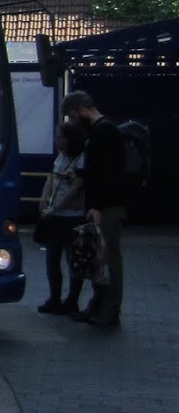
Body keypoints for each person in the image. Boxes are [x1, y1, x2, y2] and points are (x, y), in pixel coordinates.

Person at [61, 91, 127, 328]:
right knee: (99, 259)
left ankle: (109, 310)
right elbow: (101, 170)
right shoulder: (102, 131)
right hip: (104, 205)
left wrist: (97, 206)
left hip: (106, 207)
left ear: (80, 109)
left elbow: (106, 173)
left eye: (72, 115)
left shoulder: (104, 131)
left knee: (107, 259)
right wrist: (78, 173)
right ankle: (99, 305)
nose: (73, 121)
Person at [34, 121, 88, 315]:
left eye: (60, 137)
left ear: (69, 139)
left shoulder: (81, 159)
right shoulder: (61, 157)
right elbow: (51, 177)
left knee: (73, 259)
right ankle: (54, 298)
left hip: (73, 216)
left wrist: (56, 206)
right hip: (54, 215)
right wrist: (43, 200)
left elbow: (76, 188)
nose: (56, 140)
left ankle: (72, 300)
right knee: (52, 258)